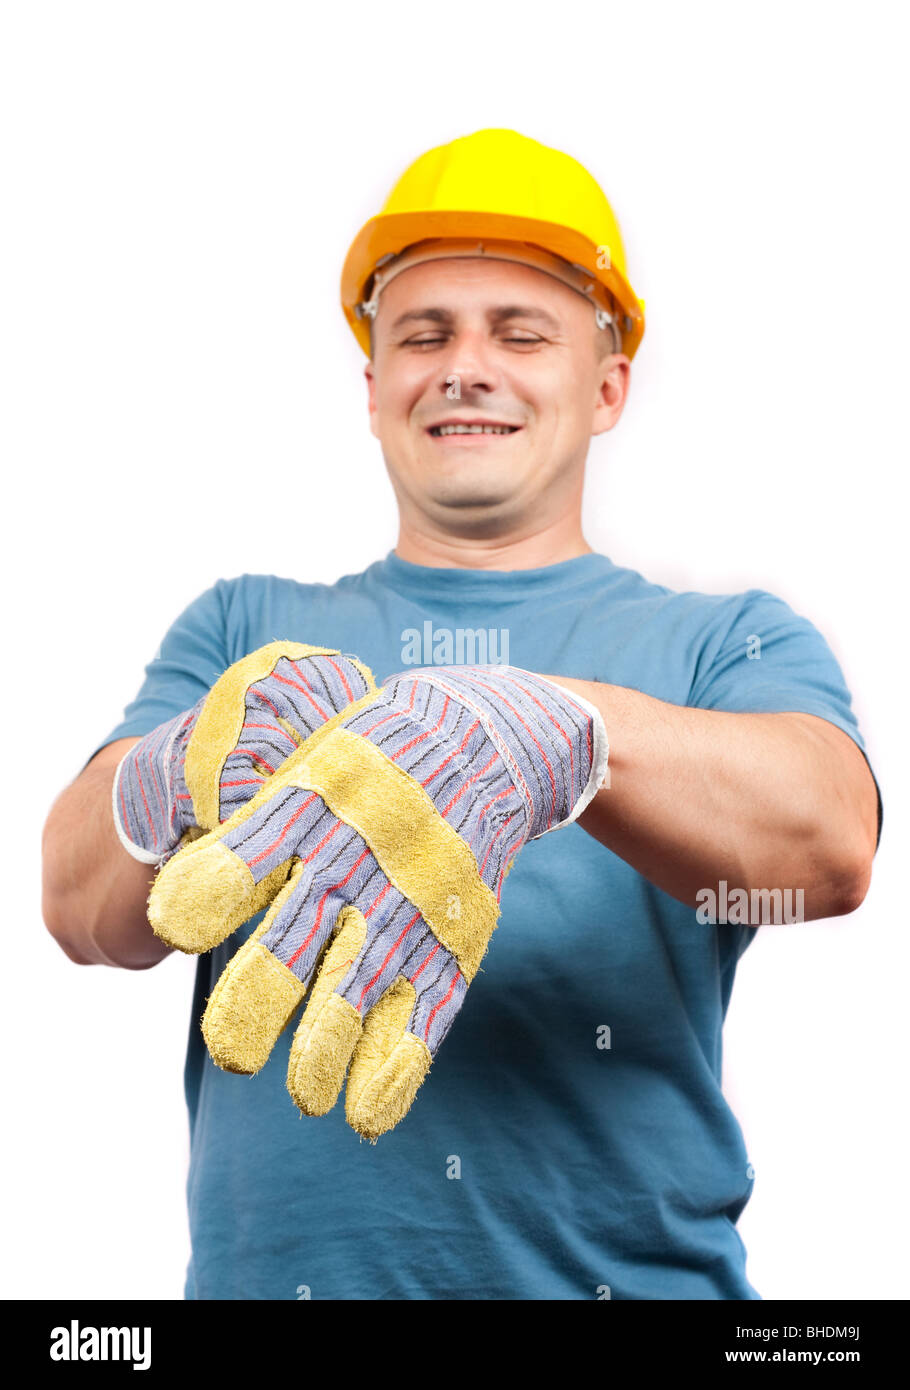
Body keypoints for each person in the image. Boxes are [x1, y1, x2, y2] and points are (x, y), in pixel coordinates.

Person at [41, 128, 882, 1300]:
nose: (463, 367)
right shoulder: (244, 628)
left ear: (607, 386)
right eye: (423, 334)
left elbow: (828, 843)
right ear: (374, 383)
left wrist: (566, 736)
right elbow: (79, 910)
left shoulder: (721, 641)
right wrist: (171, 773)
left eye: (518, 332)